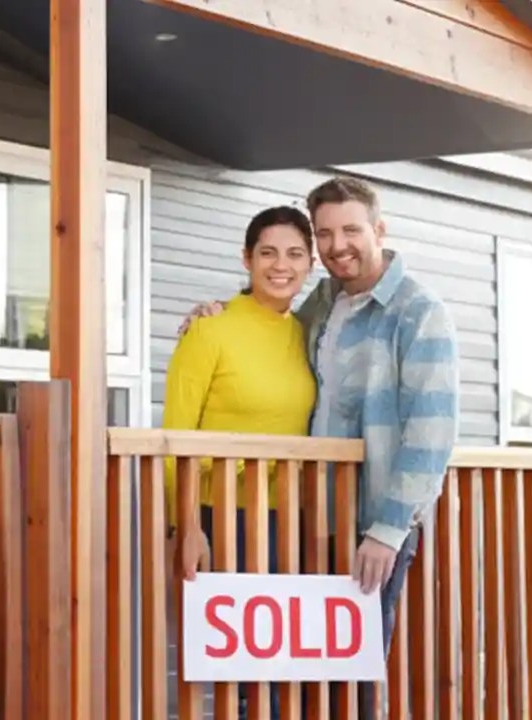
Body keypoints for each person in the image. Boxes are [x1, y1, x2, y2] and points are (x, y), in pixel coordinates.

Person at [179, 176, 460, 718]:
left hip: (373, 525)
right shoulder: (324, 301)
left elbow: (431, 432)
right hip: (311, 518)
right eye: (325, 234)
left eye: (351, 229)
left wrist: (388, 530)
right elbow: (270, 325)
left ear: (379, 229)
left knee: (353, 677)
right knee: (301, 674)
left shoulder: (418, 313)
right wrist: (219, 310)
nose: (338, 245)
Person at [163, 205, 318, 719]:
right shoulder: (209, 331)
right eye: (268, 252)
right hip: (223, 517)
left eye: (295, 253)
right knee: (242, 674)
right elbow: (175, 440)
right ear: (246, 258)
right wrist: (185, 526)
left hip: (291, 521)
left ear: (310, 263)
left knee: (285, 665)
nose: (281, 265)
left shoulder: (308, 334)